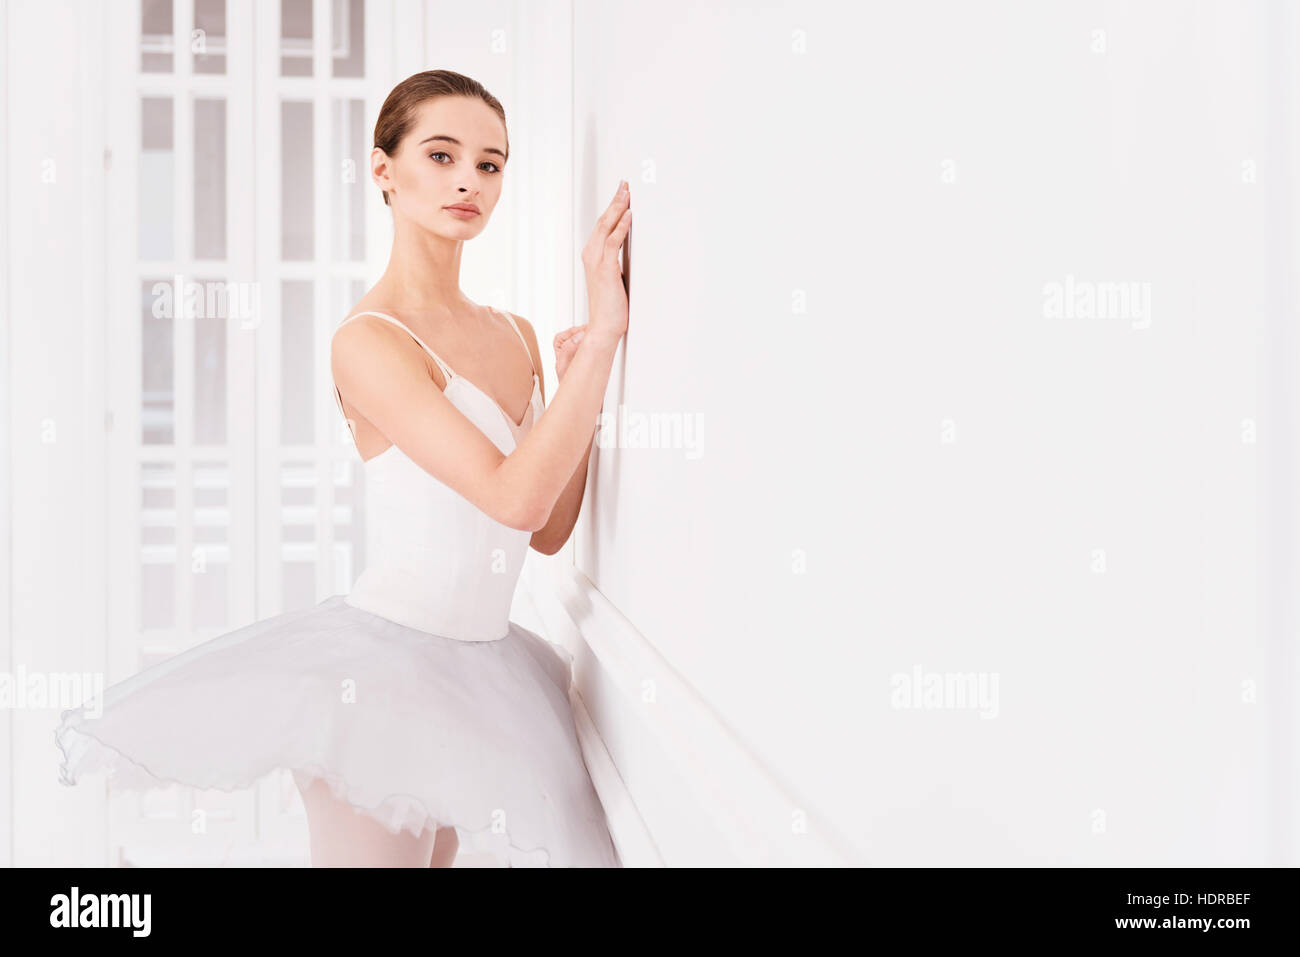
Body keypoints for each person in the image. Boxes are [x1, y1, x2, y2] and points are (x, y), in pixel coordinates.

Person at [55, 69, 632, 868]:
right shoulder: (368, 341)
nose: (469, 179)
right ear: (383, 169)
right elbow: (513, 496)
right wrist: (604, 340)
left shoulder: (520, 334)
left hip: (487, 671)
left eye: (491, 164)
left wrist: (574, 390)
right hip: (382, 673)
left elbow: (549, 529)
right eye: (441, 154)